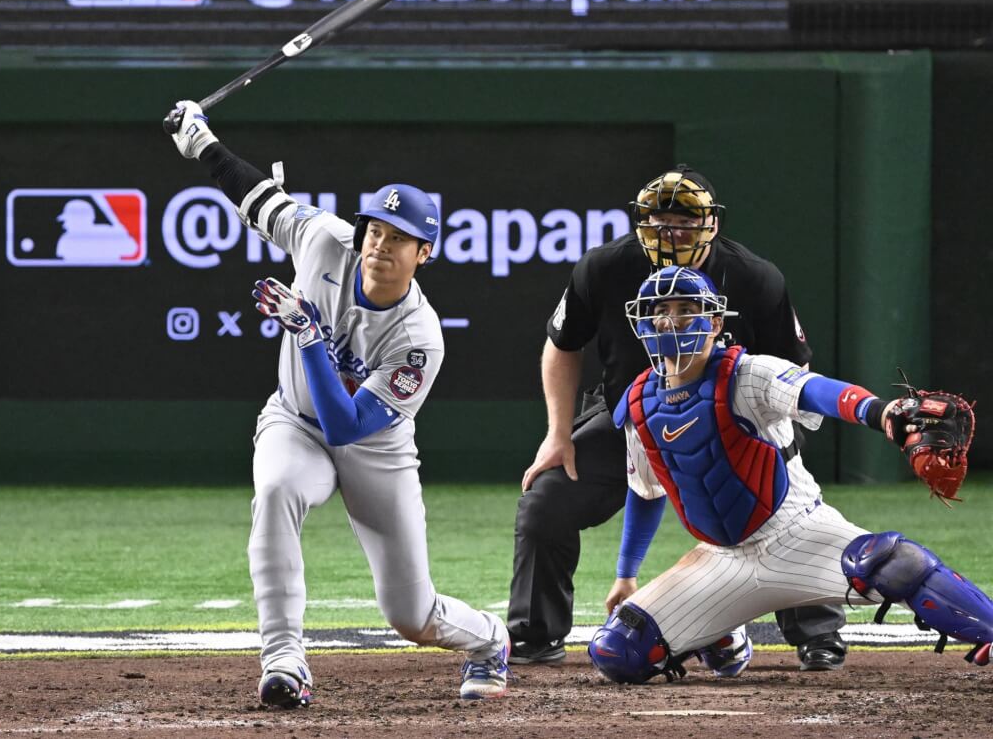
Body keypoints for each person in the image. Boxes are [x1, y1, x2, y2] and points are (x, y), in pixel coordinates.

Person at [165, 100, 510, 705]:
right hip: (293, 423)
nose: (382, 243)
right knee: (275, 490)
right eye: (376, 228)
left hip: (374, 449)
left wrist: (306, 334)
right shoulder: (324, 240)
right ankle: (284, 660)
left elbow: (347, 426)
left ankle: (487, 640)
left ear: (424, 253)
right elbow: (257, 200)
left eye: (400, 238)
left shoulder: (419, 339)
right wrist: (202, 143)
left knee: (411, 615)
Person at [509, 165, 848, 671]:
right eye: (660, 220)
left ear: (711, 225)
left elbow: (796, 371)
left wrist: (774, 438)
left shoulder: (756, 278)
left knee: (784, 507)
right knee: (545, 501)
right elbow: (562, 345)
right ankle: (535, 636)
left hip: (732, 418)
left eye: (685, 221)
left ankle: (816, 630)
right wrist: (558, 433)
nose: (672, 232)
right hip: (632, 413)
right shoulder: (605, 267)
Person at [588, 265, 990, 684]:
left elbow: (817, 391)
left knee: (897, 564)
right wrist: (626, 573)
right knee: (619, 651)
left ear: (715, 322)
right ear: (645, 321)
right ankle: (726, 637)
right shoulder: (639, 403)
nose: (671, 320)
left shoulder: (747, 373)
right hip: (720, 559)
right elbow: (645, 489)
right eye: (661, 310)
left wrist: (881, 412)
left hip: (799, 535)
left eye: (687, 309)